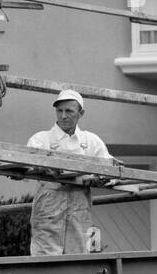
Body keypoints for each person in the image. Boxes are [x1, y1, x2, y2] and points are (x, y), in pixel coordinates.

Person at [26, 89, 115, 255]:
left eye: (69, 111)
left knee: (81, 255)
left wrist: (102, 177)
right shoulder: (41, 139)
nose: (63, 116)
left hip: (80, 206)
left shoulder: (91, 141)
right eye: (59, 111)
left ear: (81, 113)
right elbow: (28, 161)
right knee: (45, 257)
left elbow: (109, 168)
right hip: (49, 207)